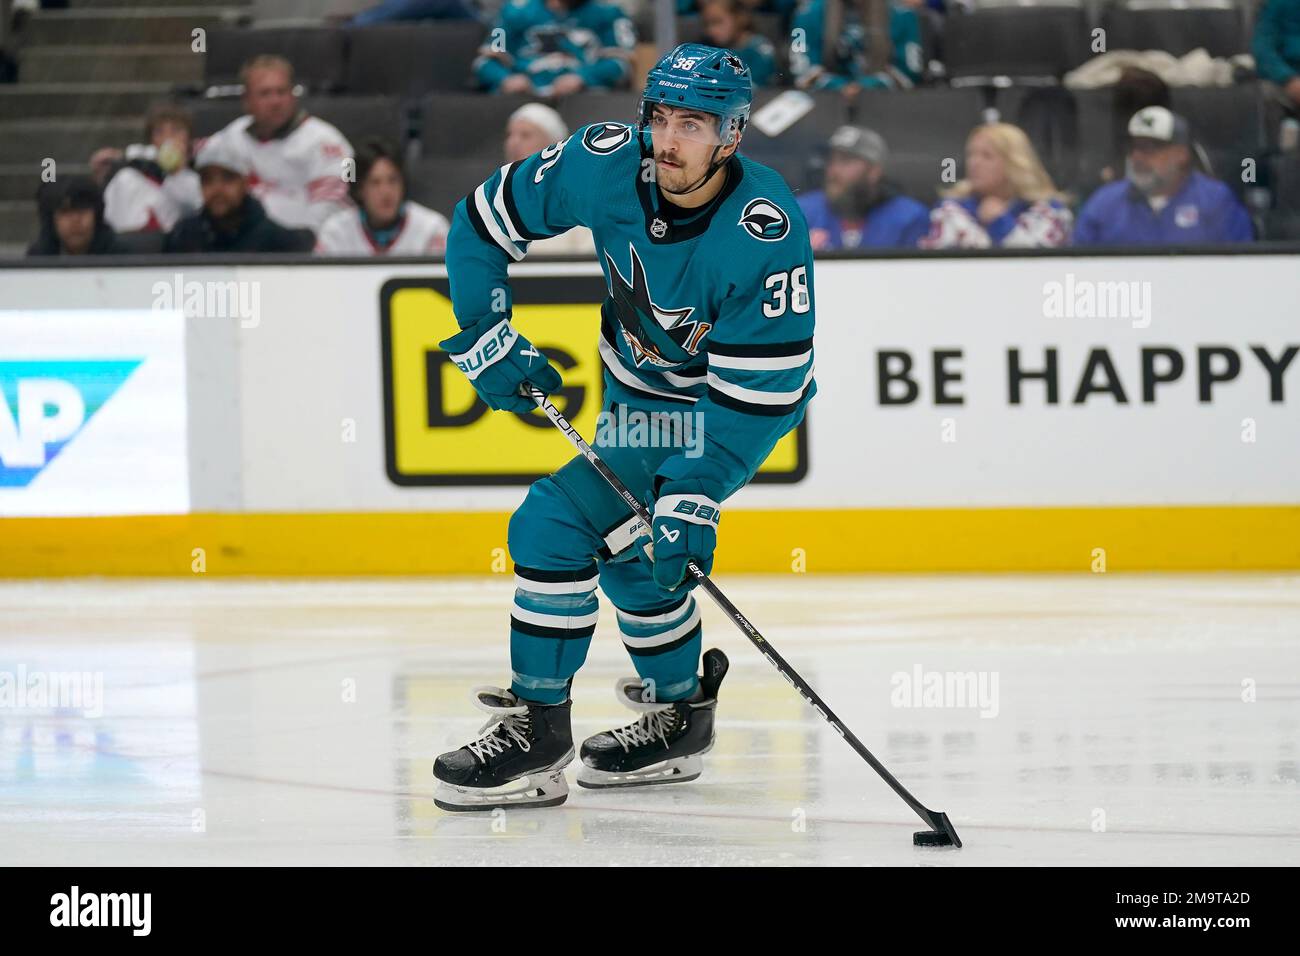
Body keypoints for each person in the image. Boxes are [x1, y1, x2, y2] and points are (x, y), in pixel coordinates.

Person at [432, 44, 816, 811]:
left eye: (694, 125)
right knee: (631, 553)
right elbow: (480, 223)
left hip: (719, 409)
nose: (670, 142)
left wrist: (695, 494)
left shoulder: (764, 234)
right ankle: (681, 714)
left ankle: (539, 734)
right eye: (661, 118)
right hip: (632, 395)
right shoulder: (604, 161)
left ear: (733, 135)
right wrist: (487, 334)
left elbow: (758, 400)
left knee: (551, 525)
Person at [207, 55, 354, 232]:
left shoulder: (326, 141)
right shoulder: (232, 136)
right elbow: (199, 171)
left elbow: (332, 209)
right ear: (246, 101)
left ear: (293, 96)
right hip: (246, 245)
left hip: (309, 248)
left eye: (281, 92)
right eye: (265, 93)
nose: (275, 102)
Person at [1073, 107, 1254, 246]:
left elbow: (1241, 269)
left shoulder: (1215, 200)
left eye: (1149, 148)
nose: (1137, 157)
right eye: (1133, 147)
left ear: (1181, 154)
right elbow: (1077, 268)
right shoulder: (1104, 203)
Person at [920, 123, 1073, 249]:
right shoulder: (949, 210)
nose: (974, 163)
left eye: (987, 156)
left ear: (1014, 162)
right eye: (970, 155)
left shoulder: (1050, 212)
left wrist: (1000, 223)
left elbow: (1041, 268)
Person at [164, 139, 314, 253]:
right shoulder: (183, 236)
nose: (217, 189)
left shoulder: (276, 240)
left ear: (245, 183)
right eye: (208, 180)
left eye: (227, 178)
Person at [797, 125, 930, 249]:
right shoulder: (802, 212)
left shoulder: (909, 217)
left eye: (845, 161)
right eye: (831, 161)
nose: (833, 171)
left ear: (874, 171)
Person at [473, 0, 636, 97]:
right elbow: (485, 62)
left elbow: (621, 64)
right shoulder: (514, 11)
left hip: (584, 101)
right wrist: (505, 79)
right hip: (523, 99)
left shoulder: (609, 12)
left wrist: (583, 78)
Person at [315, 139, 449, 255]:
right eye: (375, 183)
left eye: (393, 180)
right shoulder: (336, 232)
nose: (386, 192)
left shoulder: (432, 229)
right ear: (360, 189)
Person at [93, 103, 203, 235]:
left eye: (176, 130)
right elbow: (132, 154)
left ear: (189, 138)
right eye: (159, 132)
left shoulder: (202, 169)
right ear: (151, 140)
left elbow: (198, 203)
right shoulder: (139, 161)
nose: (168, 138)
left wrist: (178, 171)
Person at [503, 103, 596, 257]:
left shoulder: (580, 197)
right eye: (509, 135)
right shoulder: (491, 197)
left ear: (552, 146)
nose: (513, 143)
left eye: (525, 135)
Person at [789, 0, 923, 96]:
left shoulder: (903, 15)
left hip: (886, 105)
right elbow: (801, 70)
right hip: (824, 104)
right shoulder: (806, 14)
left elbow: (909, 73)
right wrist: (836, 85)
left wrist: (871, 84)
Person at [27, 177, 124, 256]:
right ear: (51, 219)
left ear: (97, 216)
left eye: (82, 210)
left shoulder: (122, 256)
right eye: (65, 212)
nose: (75, 220)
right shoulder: (38, 258)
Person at [699, 0, 777, 88]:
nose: (711, 31)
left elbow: (756, 87)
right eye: (706, 24)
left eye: (717, 22)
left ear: (740, 18)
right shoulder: (710, 49)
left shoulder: (760, 50)